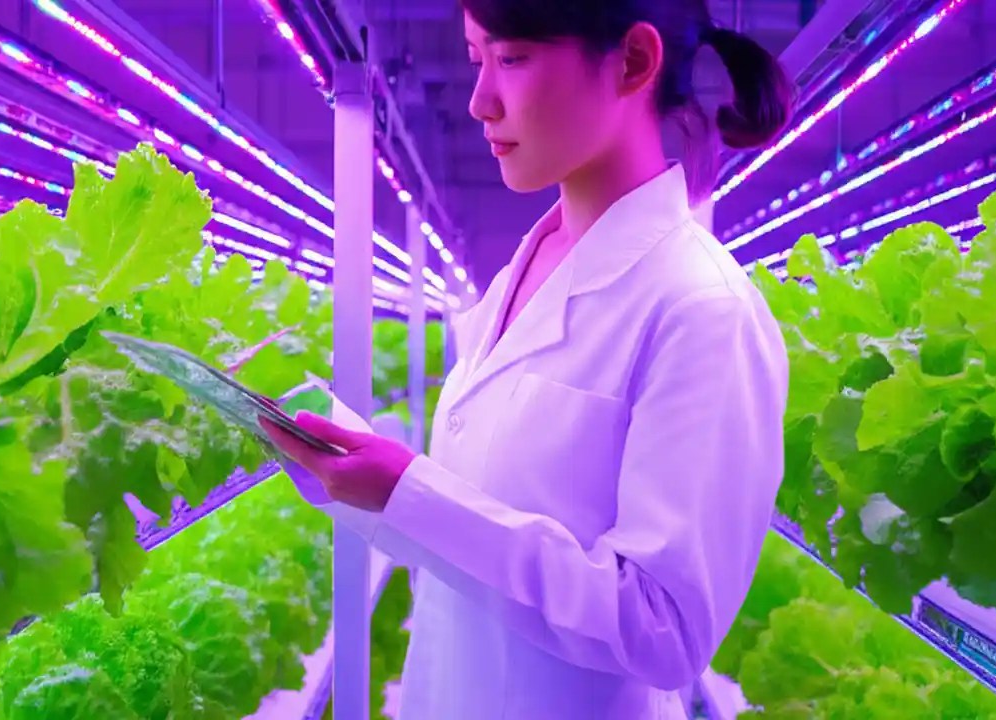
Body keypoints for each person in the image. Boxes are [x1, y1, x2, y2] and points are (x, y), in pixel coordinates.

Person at [263, 0, 793, 717]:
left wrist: (408, 494)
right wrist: (364, 481)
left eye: (511, 58)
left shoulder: (703, 309)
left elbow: (663, 628)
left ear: (633, 62)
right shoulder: (526, 268)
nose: (480, 101)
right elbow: (476, 528)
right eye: (476, 59)